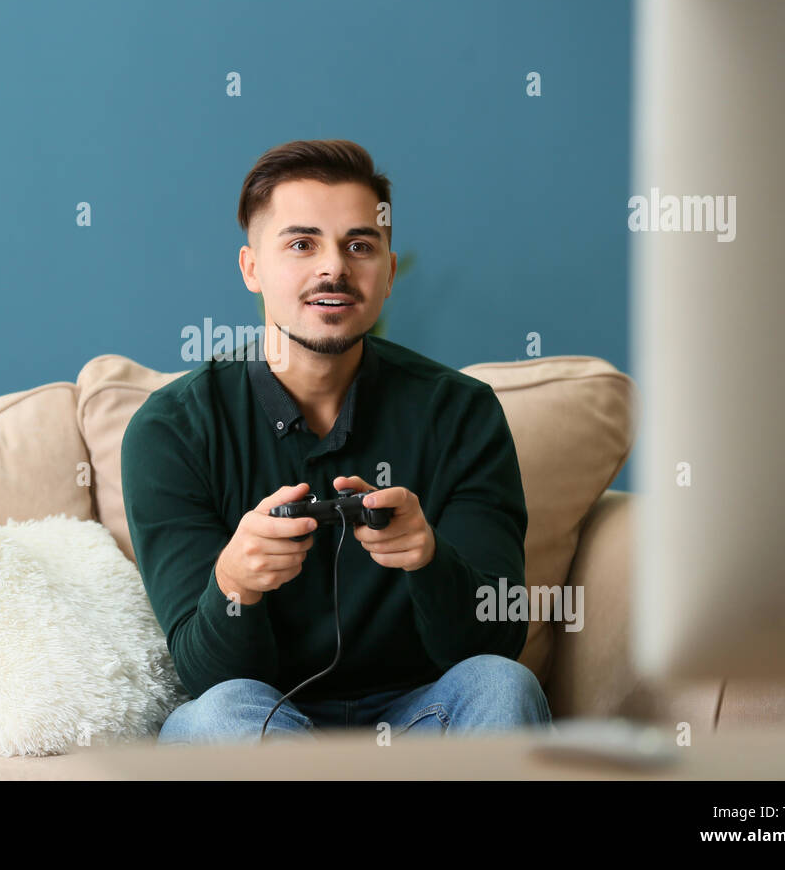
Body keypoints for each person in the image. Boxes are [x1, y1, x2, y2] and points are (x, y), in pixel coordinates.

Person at [121, 139, 552, 744]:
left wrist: (428, 559)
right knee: (219, 715)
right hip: (265, 721)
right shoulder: (172, 430)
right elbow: (207, 676)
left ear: (389, 273)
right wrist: (235, 583)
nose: (334, 268)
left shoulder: (461, 413)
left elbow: (493, 640)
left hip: (421, 715)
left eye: (360, 245)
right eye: (301, 244)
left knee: (502, 685)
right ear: (251, 268)